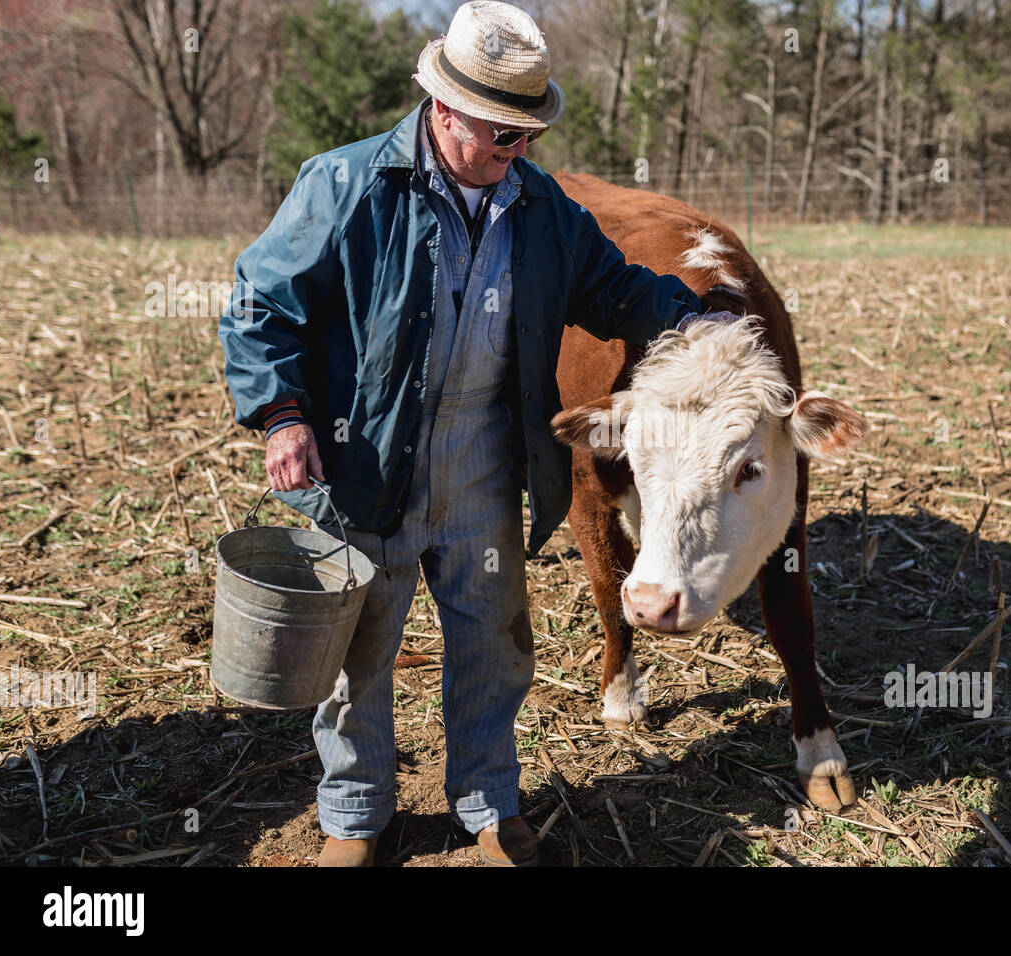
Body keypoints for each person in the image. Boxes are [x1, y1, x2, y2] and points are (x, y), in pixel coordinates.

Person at [218, 0, 734, 866]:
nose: (516, 151)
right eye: (501, 133)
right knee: (360, 648)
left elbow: (614, 291)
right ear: (444, 107)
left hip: (486, 461)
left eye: (527, 133)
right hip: (364, 457)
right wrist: (282, 414)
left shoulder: (543, 209)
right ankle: (354, 815)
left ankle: (490, 803)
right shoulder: (347, 185)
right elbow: (258, 304)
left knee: (493, 643)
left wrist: (700, 314)